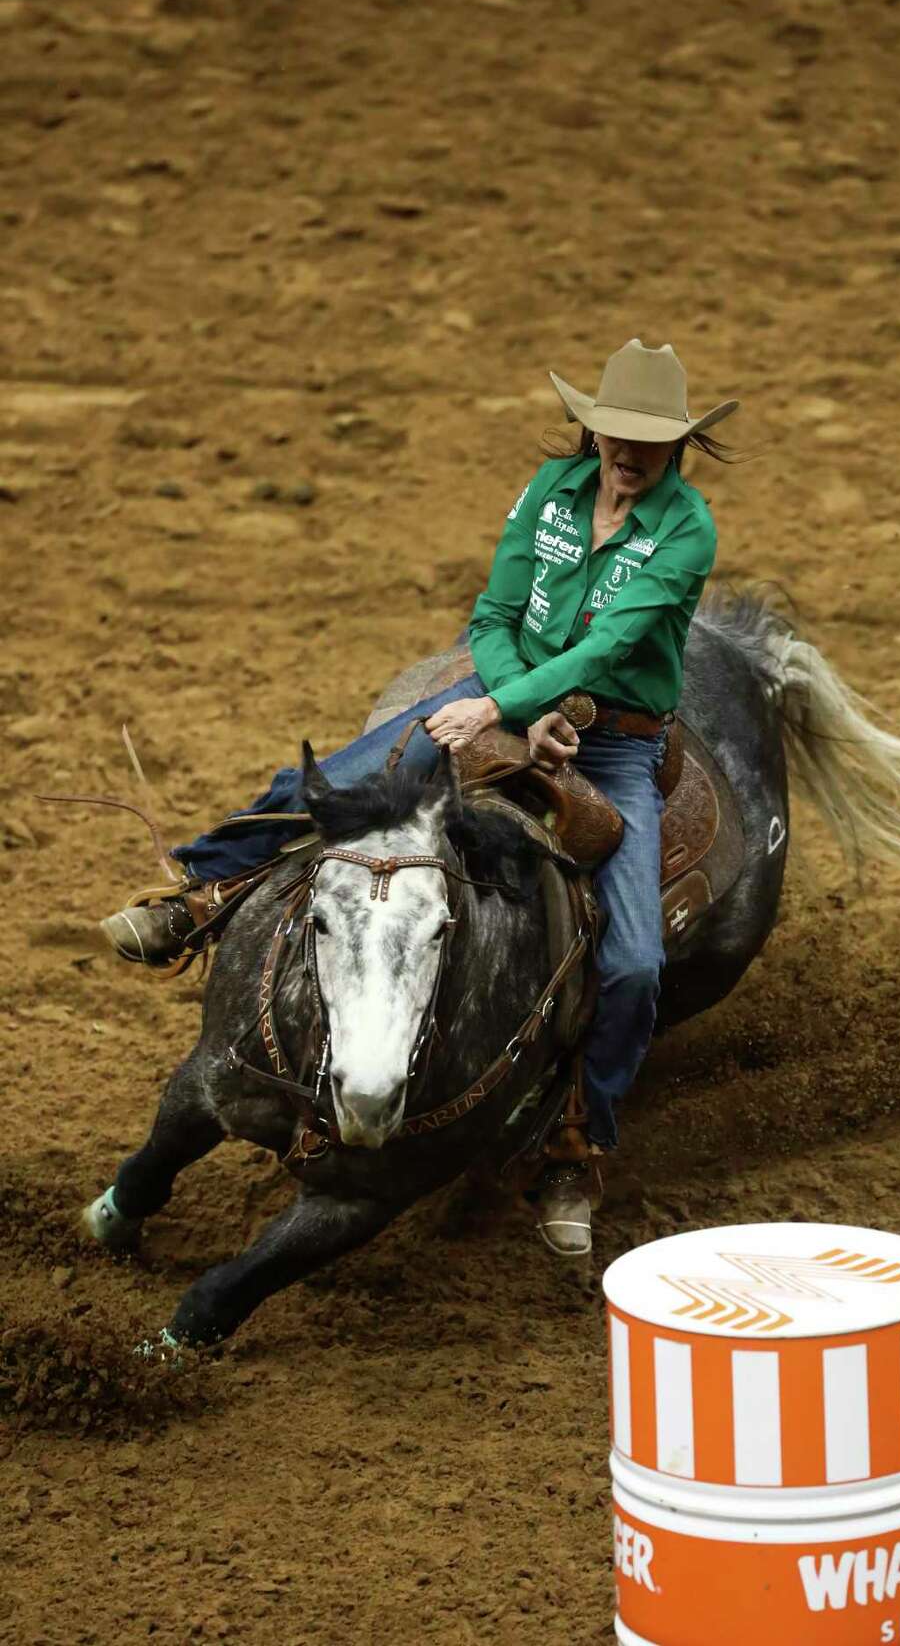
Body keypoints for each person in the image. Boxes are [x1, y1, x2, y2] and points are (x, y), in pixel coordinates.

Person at [99, 338, 737, 1253]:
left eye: (647, 441)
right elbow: (493, 614)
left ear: (678, 447)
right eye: (612, 434)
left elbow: (612, 648)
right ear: (591, 431)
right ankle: (201, 894)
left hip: (615, 745)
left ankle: (575, 1143)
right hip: (505, 696)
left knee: (635, 964)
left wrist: (511, 706)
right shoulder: (548, 495)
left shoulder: (687, 530)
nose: (627, 454)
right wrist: (515, 709)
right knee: (329, 786)